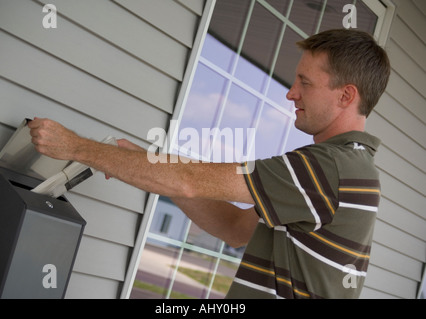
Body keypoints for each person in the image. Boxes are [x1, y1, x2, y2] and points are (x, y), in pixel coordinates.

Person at [28, 29, 390, 299]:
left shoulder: (330, 167)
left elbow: (187, 180)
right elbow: (234, 225)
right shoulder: (342, 169)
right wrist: (137, 161)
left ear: (346, 95)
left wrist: (76, 147)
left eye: (304, 82)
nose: (291, 92)